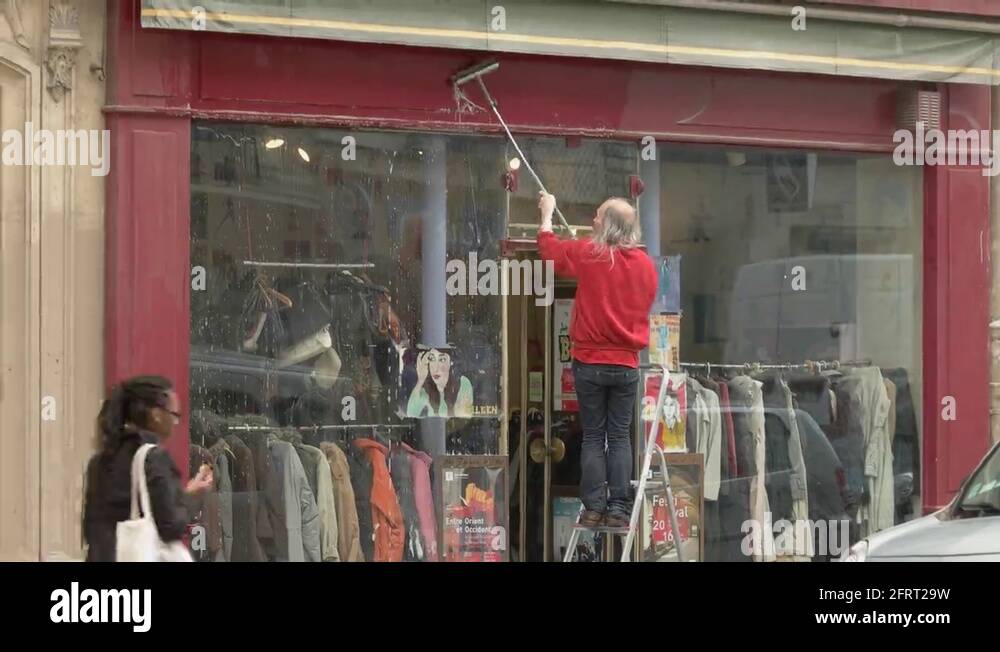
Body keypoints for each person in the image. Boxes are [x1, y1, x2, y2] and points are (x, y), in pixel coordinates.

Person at [537, 192, 657, 528]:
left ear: (608, 226)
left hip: (589, 361)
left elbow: (551, 253)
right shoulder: (645, 265)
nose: (592, 221)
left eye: (598, 217)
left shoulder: (591, 254)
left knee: (593, 435)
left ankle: (592, 509)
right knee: (619, 436)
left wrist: (547, 215)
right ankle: (618, 508)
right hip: (626, 364)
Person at [83, 376, 214, 561]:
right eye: (174, 415)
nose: (175, 423)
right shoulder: (154, 458)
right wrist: (190, 498)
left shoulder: (98, 462)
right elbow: (171, 527)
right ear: (156, 415)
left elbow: (91, 528)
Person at [406, 346, 474, 418]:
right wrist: (420, 380)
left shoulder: (463, 383)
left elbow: (464, 416)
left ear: (451, 362)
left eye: (442, 359)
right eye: (432, 359)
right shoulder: (427, 388)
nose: (435, 368)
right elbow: (411, 413)